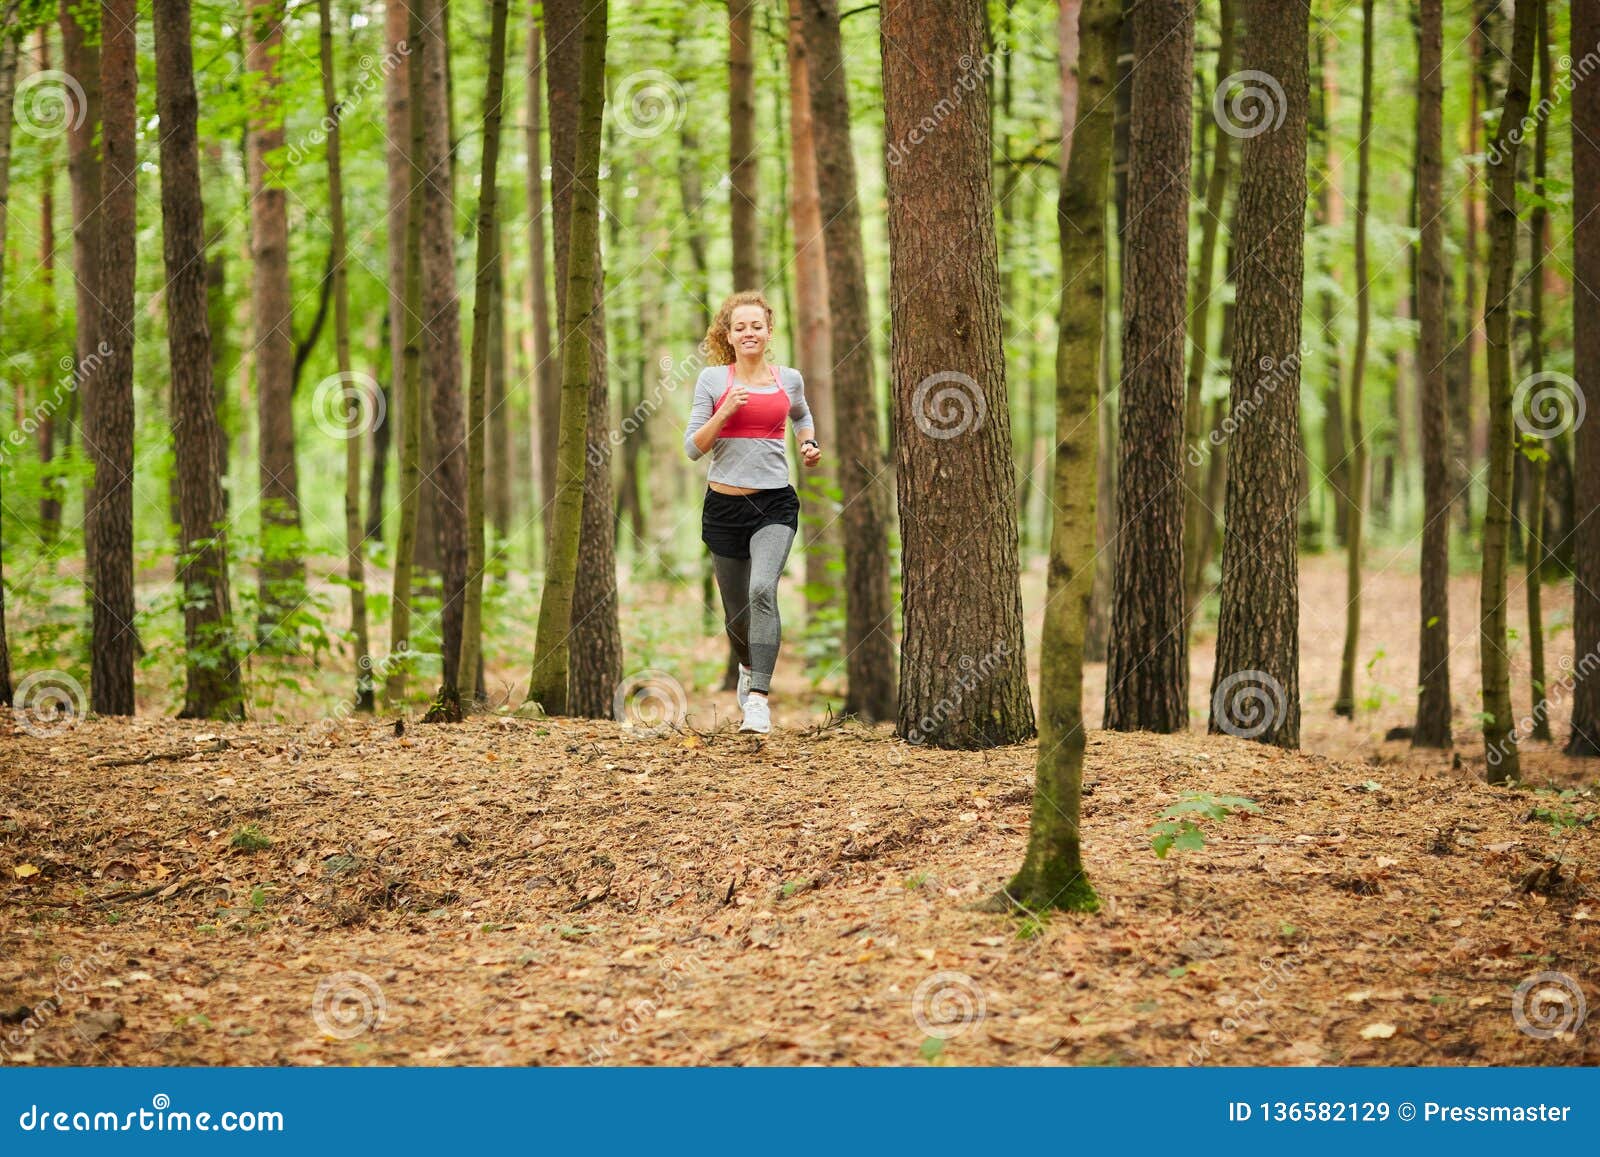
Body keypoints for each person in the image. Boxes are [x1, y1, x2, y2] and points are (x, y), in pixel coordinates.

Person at [684, 291, 822, 734]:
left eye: (756, 326)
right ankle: (747, 667)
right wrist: (725, 410)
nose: (749, 333)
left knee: (762, 589)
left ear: (768, 331)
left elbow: (801, 414)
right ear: (727, 335)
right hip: (723, 508)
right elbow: (693, 448)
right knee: (736, 616)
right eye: (740, 327)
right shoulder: (712, 380)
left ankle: (759, 700)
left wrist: (807, 442)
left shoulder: (789, 379)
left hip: (774, 504)